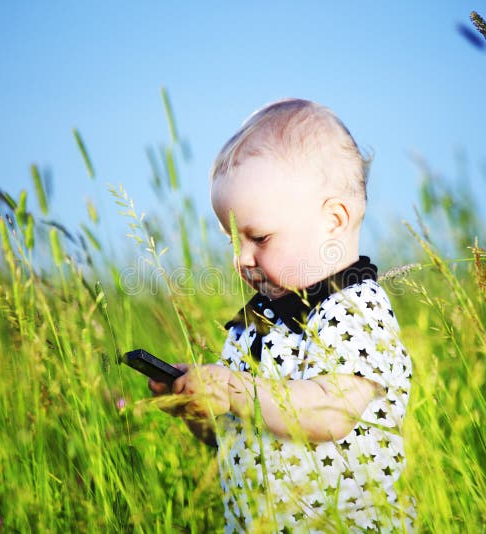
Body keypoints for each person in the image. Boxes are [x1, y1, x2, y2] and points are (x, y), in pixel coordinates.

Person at [149, 98, 414, 532]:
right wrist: (203, 405)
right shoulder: (255, 323)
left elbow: (331, 412)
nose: (241, 259)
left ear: (333, 221)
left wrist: (234, 388)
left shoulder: (355, 308)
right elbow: (235, 430)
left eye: (260, 237)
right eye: (234, 240)